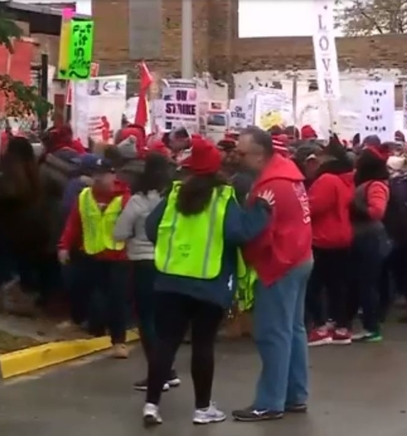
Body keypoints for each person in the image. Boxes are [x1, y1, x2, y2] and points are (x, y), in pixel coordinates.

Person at [141, 137, 272, 426]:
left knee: (165, 343)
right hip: (209, 284)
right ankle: (202, 409)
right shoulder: (224, 198)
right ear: (217, 169)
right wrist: (263, 210)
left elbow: (152, 229)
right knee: (202, 345)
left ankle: (151, 405)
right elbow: (241, 232)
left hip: (170, 280)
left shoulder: (174, 195)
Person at [230, 126, 313, 422]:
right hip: (301, 256)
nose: (236, 157)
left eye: (241, 153)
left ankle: (269, 401)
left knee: (272, 333)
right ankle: (295, 394)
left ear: (258, 155)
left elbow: (257, 232)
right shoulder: (289, 175)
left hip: (280, 262)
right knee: (293, 330)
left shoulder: (268, 188)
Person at [112, 153, 178, 390]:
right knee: (165, 321)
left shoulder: (137, 201)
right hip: (169, 263)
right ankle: (168, 370)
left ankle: (157, 375)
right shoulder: (173, 199)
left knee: (147, 320)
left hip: (143, 262)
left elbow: (119, 232)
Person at [58, 158, 132, 358]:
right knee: (84, 289)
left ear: (113, 175)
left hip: (117, 256)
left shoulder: (124, 199)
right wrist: (64, 246)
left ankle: (119, 341)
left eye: (103, 174)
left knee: (117, 299)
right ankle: (86, 324)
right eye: (96, 174)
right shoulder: (84, 196)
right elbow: (74, 223)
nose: (99, 179)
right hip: (90, 252)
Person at [305, 137, 355, 345]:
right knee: (337, 285)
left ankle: (320, 327)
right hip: (341, 235)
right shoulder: (345, 179)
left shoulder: (327, 180)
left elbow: (313, 207)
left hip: (323, 238)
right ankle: (341, 326)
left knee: (313, 286)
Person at [349, 147, 390, 341]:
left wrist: (357, 208)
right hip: (364, 237)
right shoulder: (366, 183)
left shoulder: (375, 185)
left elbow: (377, 211)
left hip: (370, 237)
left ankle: (372, 327)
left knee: (368, 283)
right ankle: (370, 324)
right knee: (365, 282)